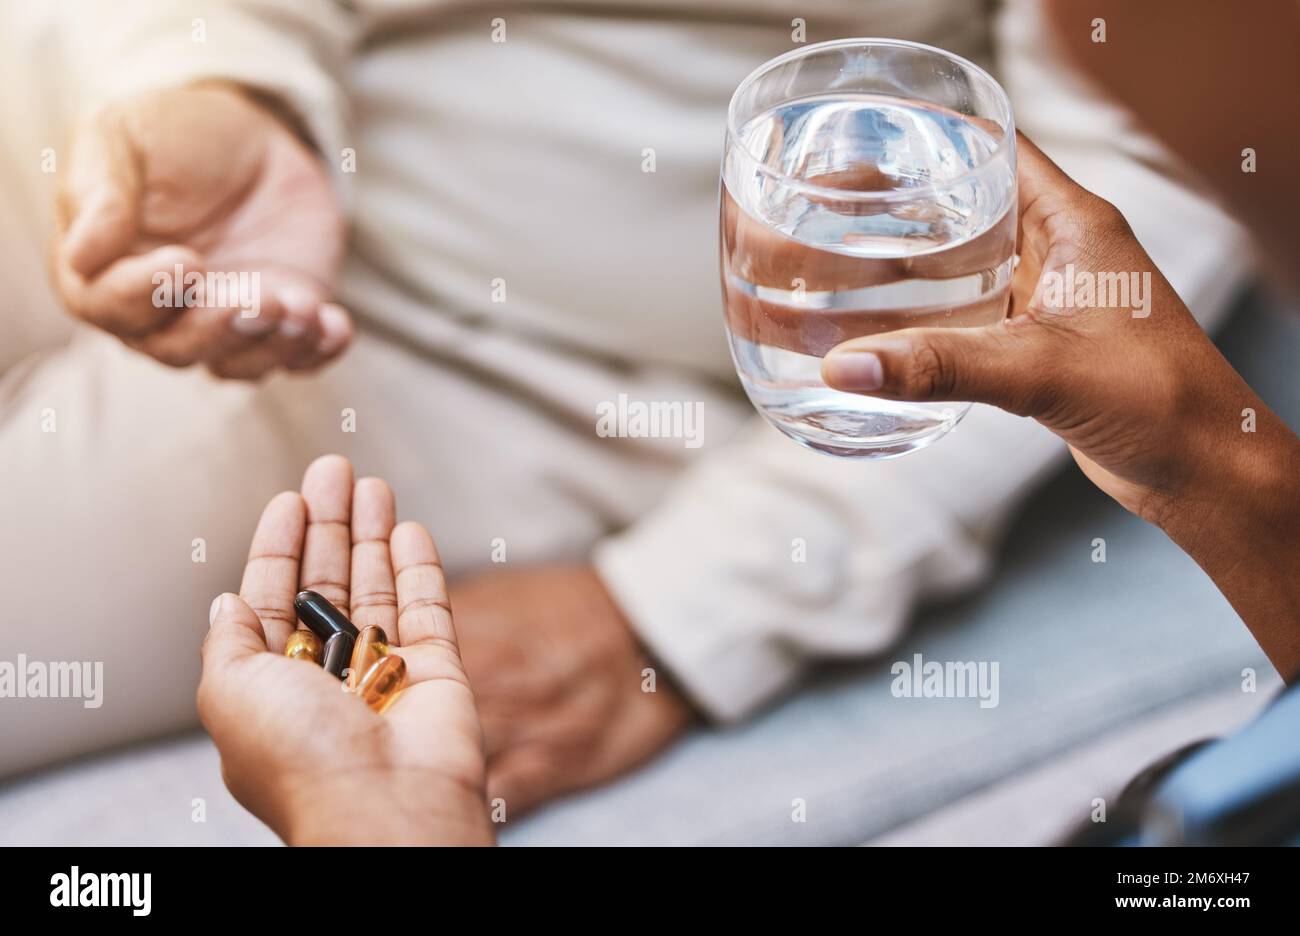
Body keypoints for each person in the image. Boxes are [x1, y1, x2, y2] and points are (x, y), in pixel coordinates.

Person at [0, 0, 1247, 811]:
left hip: (539, 380)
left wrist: (684, 608)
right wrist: (211, 82)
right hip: (135, 115)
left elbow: (1149, 179)